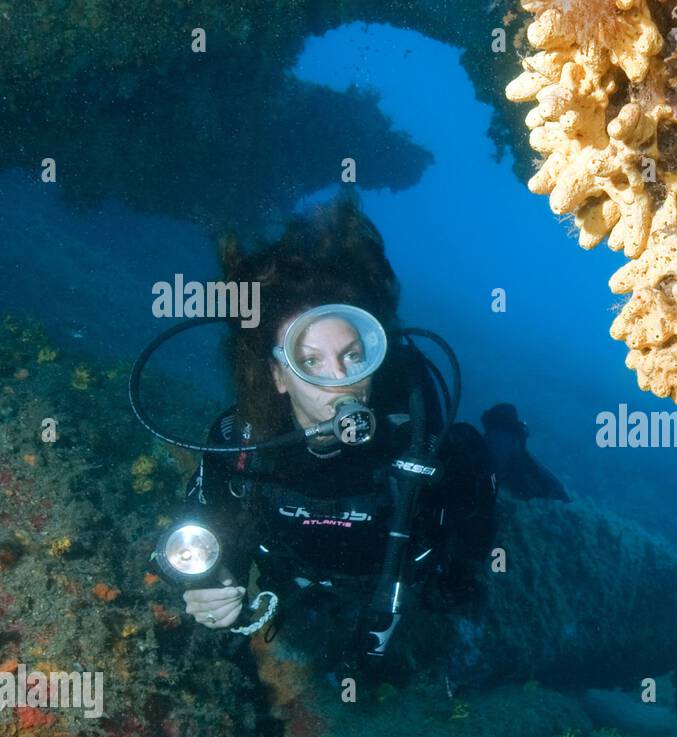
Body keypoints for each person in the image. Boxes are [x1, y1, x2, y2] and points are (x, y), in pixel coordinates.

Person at [175, 196, 497, 680]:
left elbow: (471, 534)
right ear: (278, 377)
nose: (339, 380)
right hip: (298, 584)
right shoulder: (239, 444)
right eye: (311, 362)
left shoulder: (418, 441)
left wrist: (457, 574)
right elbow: (198, 537)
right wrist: (215, 584)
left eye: (352, 356)